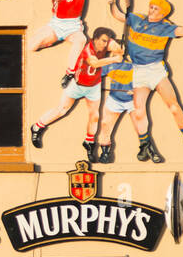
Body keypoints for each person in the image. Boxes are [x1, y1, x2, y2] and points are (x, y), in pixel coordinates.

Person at [107, 0, 183, 162]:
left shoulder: (165, 27)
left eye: (155, 9)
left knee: (173, 105)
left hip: (155, 70)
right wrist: (112, 4)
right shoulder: (137, 19)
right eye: (151, 7)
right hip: (138, 71)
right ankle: (144, 144)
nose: (151, 10)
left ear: (163, 13)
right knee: (138, 110)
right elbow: (118, 15)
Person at [31, 28, 122, 159]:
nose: (104, 44)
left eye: (106, 41)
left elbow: (118, 48)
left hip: (94, 86)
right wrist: (114, 60)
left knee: (94, 115)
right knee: (62, 110)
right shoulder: (88, 50)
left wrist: (119, 50)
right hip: (78, 84)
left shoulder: (105, 43)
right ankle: (37, 127)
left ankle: (89, 142)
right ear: (95, 39)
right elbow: (95, 63)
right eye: (103, 41)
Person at [93, 50, 140, 163]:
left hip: (132, 101)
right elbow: (95, 75)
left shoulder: (135, 65)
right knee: (105, 125)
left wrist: (136, 90)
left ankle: (146, 149)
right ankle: (105, 153)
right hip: (114, 99)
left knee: (140, 126)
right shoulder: (110, 65)